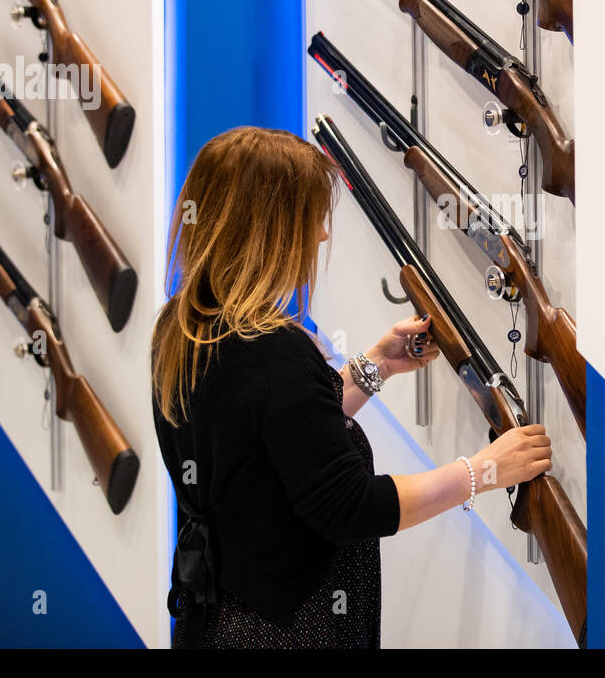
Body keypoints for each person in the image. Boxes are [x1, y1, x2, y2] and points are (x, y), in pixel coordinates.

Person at [151, 126, 551, 648]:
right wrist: (482, 471)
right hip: (293, 630)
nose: (320, 236)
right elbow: (350, 506)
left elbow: (277, 439)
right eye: (311, 217)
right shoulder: (272, 348)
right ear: (270, 226)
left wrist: (376, 366)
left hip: (223, 620)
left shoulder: (184, 326)